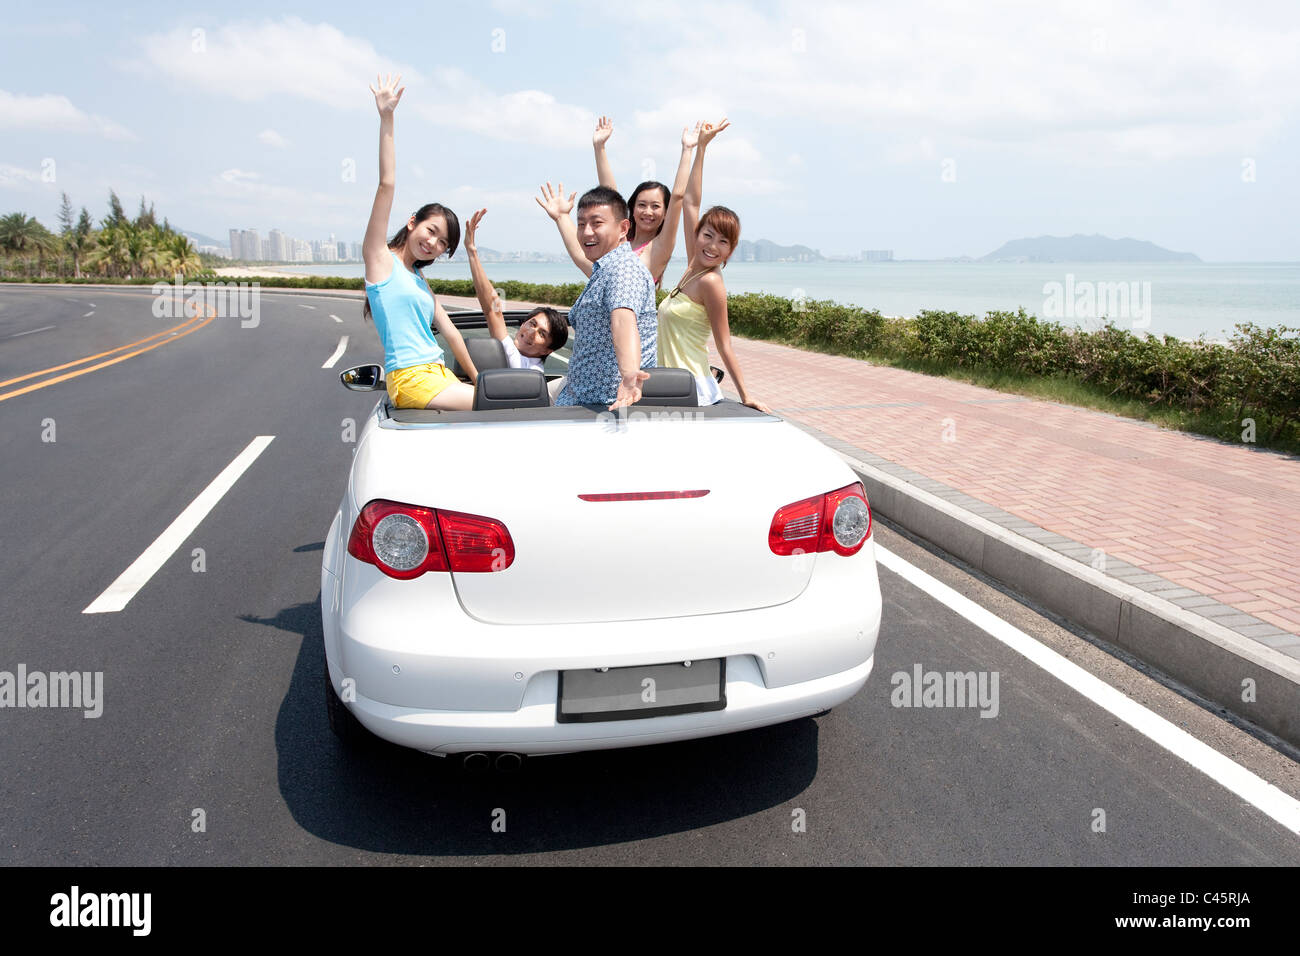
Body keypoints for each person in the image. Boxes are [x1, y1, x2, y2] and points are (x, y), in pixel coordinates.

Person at [361, 73, 478, 410]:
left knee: (500, 402)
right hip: (411, 378)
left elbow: (451, 333)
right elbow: (387, 184)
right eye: (431, 231)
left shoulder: (418, 278)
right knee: (502, 406)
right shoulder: (379, 259)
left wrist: (479, 379)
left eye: (443, 243)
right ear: (412, 222)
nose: (434, 245)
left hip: (438, 373)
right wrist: (387, 118)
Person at [657, 119, 771, 412]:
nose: (712, 245)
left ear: (730, 251)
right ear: (697, 235)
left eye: (723, 242)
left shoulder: (710, 282)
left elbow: (724, 344)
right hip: (668, 385)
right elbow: (691, 203)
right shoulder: (694, 266)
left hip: (690, 391)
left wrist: (746, 395)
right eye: (708, 235)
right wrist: (701, 148)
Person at [534, 185, 655, 410]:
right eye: (581, 224)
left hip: (607, 407)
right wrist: (562, 218)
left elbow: (623, 319)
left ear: (623, 228)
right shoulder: (605, 269)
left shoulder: (623, 270)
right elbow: (579, 253)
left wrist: (629, 375)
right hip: (584, 402)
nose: (587, 232)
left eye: (597, 223)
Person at [552, 117, 698, 287]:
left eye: (655, 206)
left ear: (665, 213)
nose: (648, 212)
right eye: (642, 205)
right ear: (632, 209)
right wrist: (600, 147)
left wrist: (687, 150)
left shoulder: (658, 248)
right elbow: (610, 197)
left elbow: (677, 198)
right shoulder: (620, 241)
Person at [463, 208, 568, 373]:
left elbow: (493, 309)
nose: (532, 332)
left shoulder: (518, 361)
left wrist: (471, 251)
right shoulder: (536, 371)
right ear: (524, 323)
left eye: (542, 334)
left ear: (548, 351)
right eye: (532, 323)